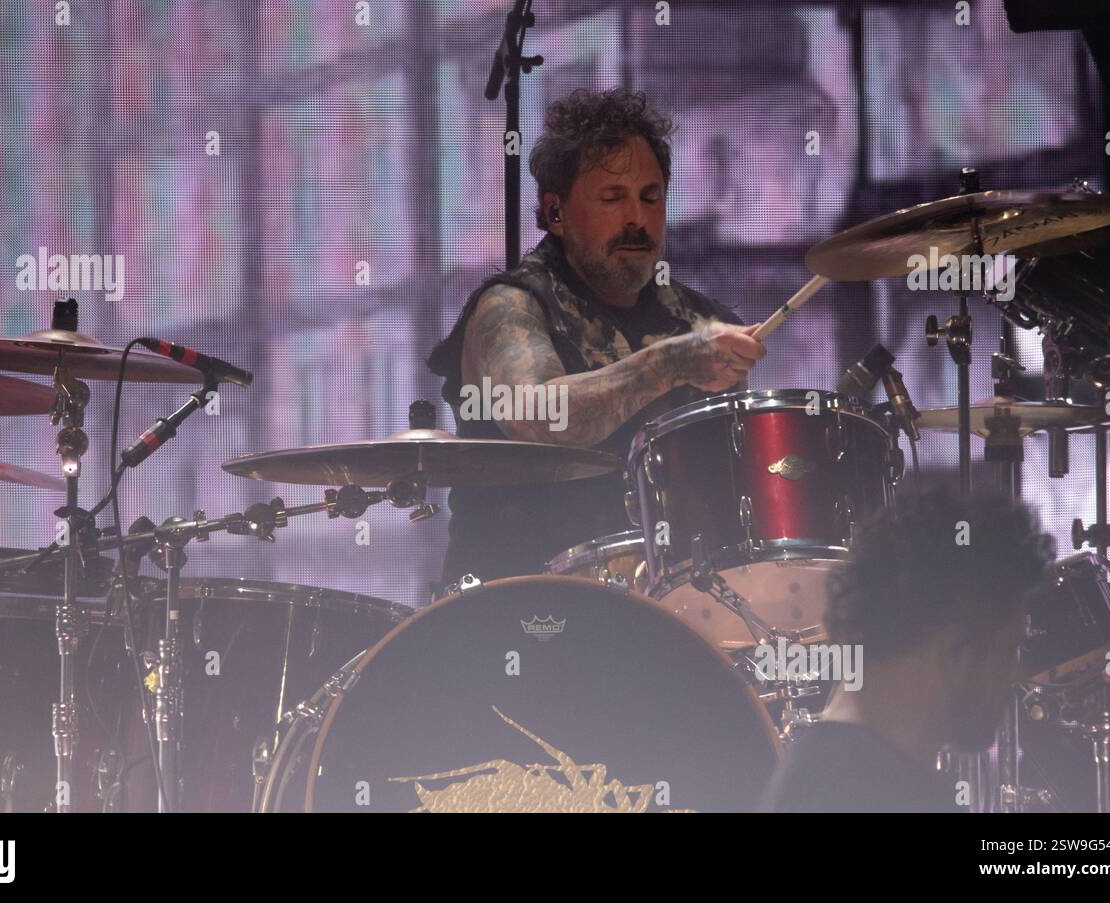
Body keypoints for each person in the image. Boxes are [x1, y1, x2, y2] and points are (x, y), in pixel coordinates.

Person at [427, 87, 765, 585]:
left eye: (651, 198)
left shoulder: (700, 318)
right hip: (514, 612)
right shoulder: (510, 306)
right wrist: (671, 363)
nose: (637, 219)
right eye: (613, 199)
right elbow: (540, 416)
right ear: (556, 212)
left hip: (665, 609)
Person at [758, 487, 1054, 813]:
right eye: (1008, 651)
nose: (1017, 675)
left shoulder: (834, 776)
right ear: (955, 651)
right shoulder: (868, 794)